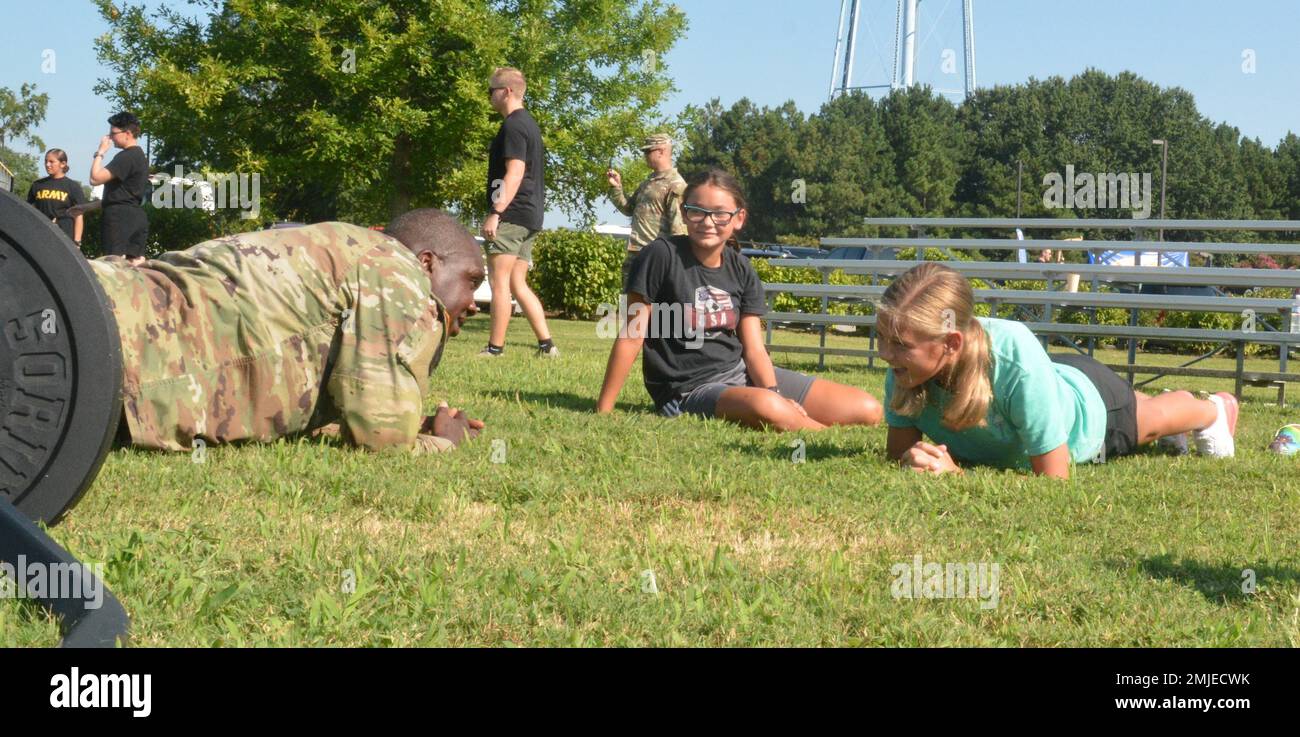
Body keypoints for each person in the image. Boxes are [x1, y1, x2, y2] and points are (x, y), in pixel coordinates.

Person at [89, 209, 486, 454]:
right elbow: (381, 441)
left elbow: (337, 398)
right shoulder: (396, 268)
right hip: (111, 350)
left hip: (97, 310)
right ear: (428, 262)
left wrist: (405, 417)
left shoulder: (347, 248)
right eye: (471, 279)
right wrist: (445, 441)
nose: (473, 301)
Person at [877, 262, 1239, 479]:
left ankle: (1214, 410)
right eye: (882, 339)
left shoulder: (1011, 356)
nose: (885, 354)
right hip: (1046, 380)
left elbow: (1054, 477)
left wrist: (958, 476)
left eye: (900, 345)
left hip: (1089, 406)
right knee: (1147, 408)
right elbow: (900, 455)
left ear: (951, 344)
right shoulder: (906, 368)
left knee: (1156, 418)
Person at [595, 167, 883, 430]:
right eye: (697, 211)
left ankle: (787, 414)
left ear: (738, 219)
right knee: (768, 409)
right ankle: (812, 431)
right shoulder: (660, 255)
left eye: (720, 213)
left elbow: (755, 349)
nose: (708, 222)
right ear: (684, 214)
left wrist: (773, 391)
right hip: (690, 389)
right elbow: (632, 336)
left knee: (867, 409)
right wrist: (603, 411)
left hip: (739, 372)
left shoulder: (740, 267)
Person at [480, 66, 557, 358]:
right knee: (517, 283)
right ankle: (547, 345)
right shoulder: (530, 124)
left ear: (507, 92)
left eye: (492, 91)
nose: (489, 97)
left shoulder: (513, 125)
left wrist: (496, 211)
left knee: (499, 283)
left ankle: (495, 349)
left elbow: (515, 171)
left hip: (512, 214)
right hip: (531, 215)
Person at [606, 133, 687, 287]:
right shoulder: (648, 182)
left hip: (655, 257)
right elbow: (628, 208)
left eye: (648, 151)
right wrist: (616, 187)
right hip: (635, 254)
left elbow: (679, 230)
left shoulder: (676, 184)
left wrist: (673, 264)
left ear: (661, 151)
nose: (645, 155)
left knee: (655, 307)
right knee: (627, 304)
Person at [89, 112, 150, 260]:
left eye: (113, 133)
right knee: (135, 268)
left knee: (114, 265)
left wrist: (100, 152)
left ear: (127, 133)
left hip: (119, 218)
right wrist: (87, 207)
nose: (110, 137)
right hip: (137, 217)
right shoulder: (140, 156)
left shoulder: (126, 156)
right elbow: (123, 195)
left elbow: (94, 178)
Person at [25, 149, 87, 245]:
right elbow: (29, 210)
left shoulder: (73, 186)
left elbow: (79, 216)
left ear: (62, 164)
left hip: (64, 237)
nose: (47, 164)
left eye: (51, 162)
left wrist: (77, 242)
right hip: (40, 234)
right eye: (46, 161)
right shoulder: (37, 185)